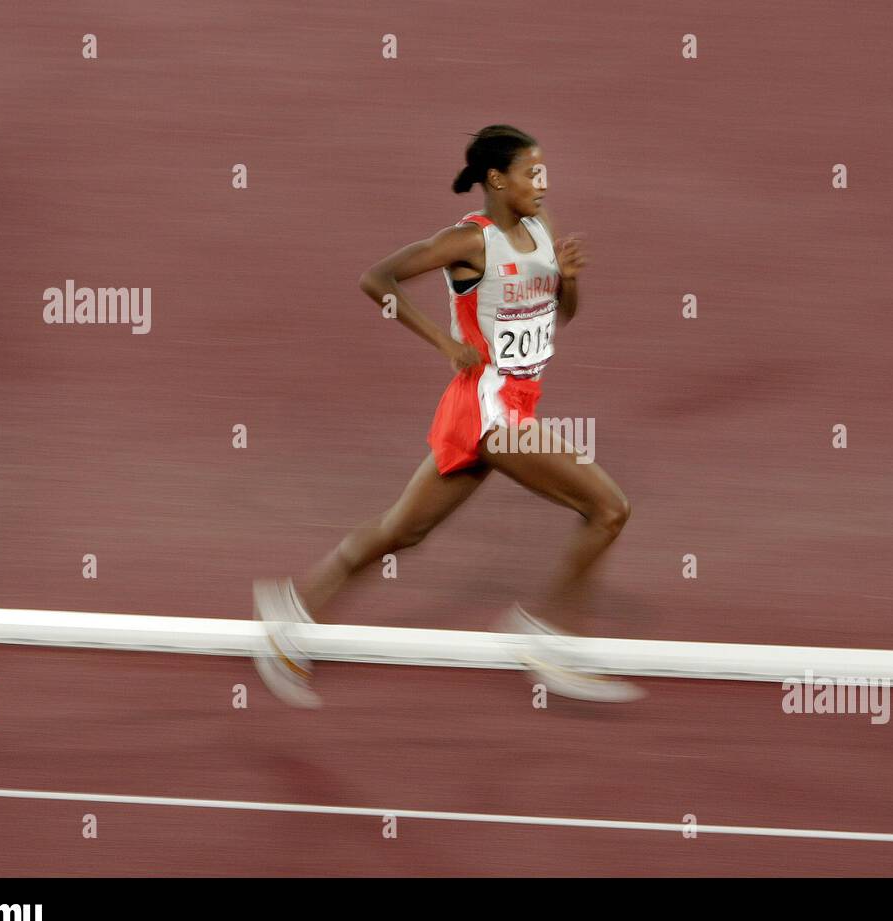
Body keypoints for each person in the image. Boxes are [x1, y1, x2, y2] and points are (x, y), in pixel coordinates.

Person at [253, 124, 639, 707]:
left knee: (402, 531)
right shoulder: (468, 242)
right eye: (531, 172)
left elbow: (563, 315)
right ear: (495, 180)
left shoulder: (542, 229)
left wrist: (572, 281)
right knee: (608, 509)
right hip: (490, 411)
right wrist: (441, 341)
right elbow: (375, 279)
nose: (543, 182)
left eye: (543, 171)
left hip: (494, 408)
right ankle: (543, 633)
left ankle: (290, 611)